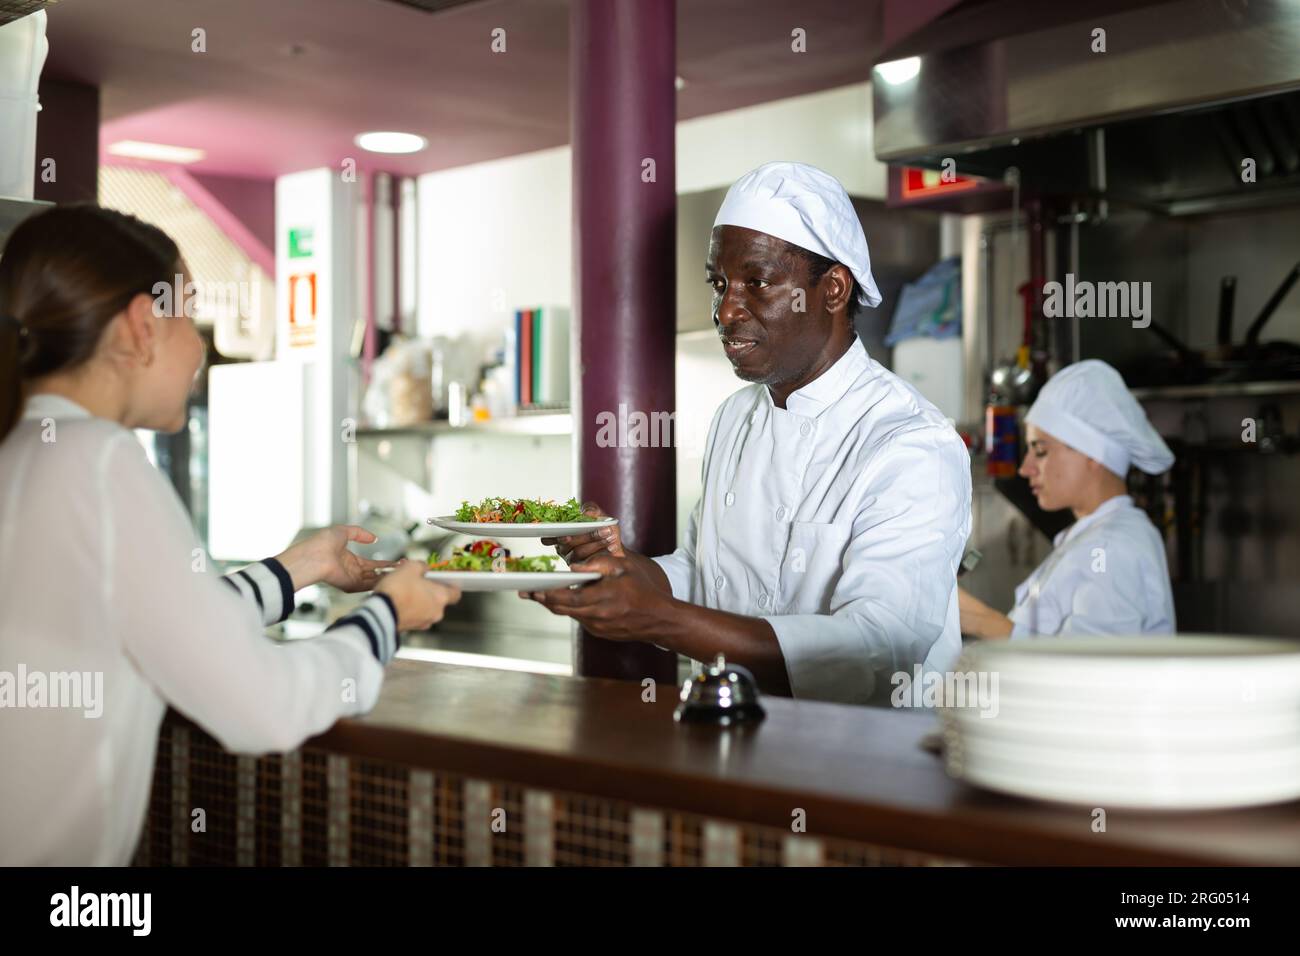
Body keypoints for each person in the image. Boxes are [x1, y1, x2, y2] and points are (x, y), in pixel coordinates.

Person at [0, 205, 459, 865]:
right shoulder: (99, 462)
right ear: (140, 325)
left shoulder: (29, 448)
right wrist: (388, 615)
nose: (198, 349)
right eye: (190, 318)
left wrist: (298, 567)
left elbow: (161, 618)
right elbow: (263, 707)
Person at [526, 162, 972, 706]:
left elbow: (880, 650)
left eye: (756, 282)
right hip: (744, 741)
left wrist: (660, 618)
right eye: (719, 283)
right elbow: (710, 576)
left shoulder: (910, 443)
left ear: (831, 289)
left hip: (869, 768)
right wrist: (627, 569)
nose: (726, 310)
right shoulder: (735, 417)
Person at [958, 360, 1175, 640]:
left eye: (1040, 450)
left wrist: (978, 619)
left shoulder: (1112, 547)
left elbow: (1091, 671)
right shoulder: (1095, 536)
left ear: (1092, 455)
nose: (1025, 469)